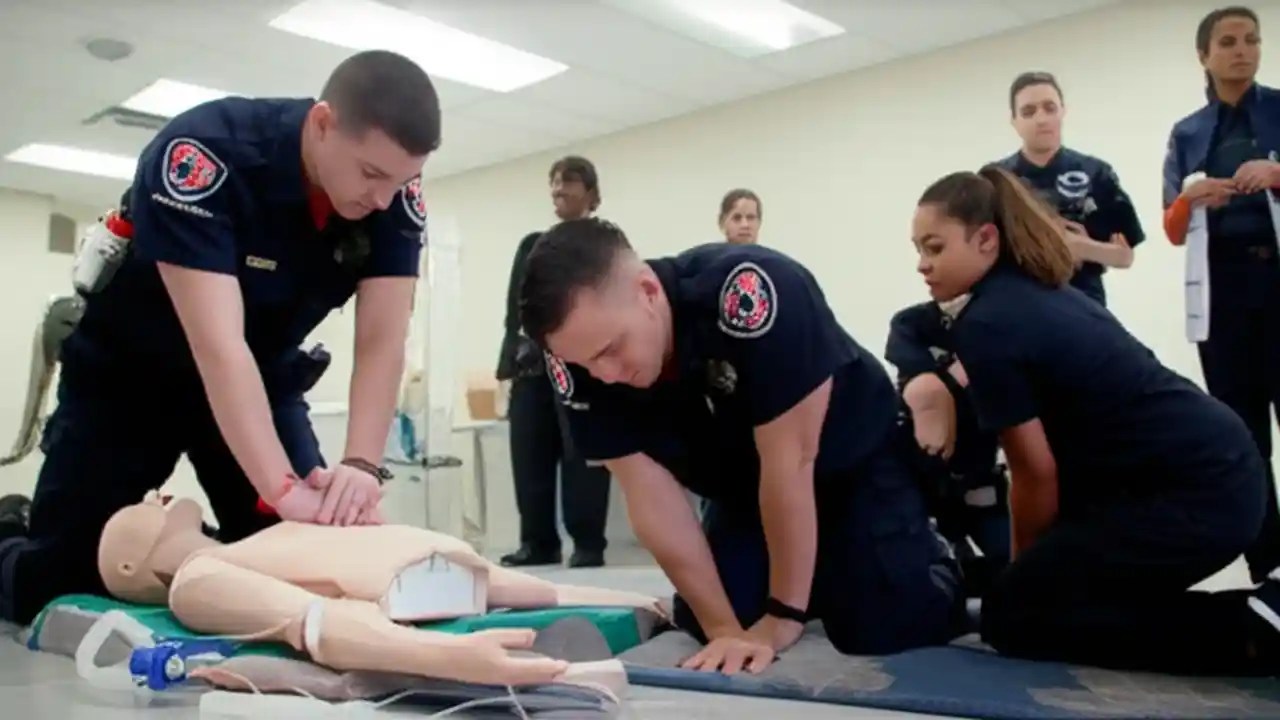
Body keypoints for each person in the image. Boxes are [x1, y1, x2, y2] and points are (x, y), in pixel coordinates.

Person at [0, 49, 440, 626]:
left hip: (262, 379)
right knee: (61, 587)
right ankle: (11, 533)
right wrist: (283, 488)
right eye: (371, 174)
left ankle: (193, 556)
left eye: (403, 180)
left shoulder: (395, 198)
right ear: (323, 124)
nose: (382, 199)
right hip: (130, 383)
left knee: (305, 558)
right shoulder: (205, 155)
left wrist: (360, 465)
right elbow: (219, 348)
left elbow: (382, 343)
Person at [518, 218, 964, 675]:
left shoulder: (751, 291)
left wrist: (783, 616)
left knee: (884, 623)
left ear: (648, 292)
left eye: (613, 349)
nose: (605, 375)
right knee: (705, 615)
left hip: (853, 464)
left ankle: (940, 557)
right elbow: (650, 497)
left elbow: (791, 463)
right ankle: (824, 574)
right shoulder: (575, 361)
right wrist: (723, 629)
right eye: (587, 362)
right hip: (744, 492)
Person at [911, 163, 1280, 675]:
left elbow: (1034, 473)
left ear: (986, 239)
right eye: (918, 251)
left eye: (934, 247)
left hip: (1200, 494)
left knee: (1016, 620)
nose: (922, 266)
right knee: (1054, 600)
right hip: (1220, 473)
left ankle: (1257, 629)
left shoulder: (988, 324)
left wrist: (1025, 579)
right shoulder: (1043, 290)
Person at [1163, 4, 1280, 585]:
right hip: (1223, 296)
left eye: (1252, 40)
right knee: (1245, 434)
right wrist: (1191, 199)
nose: (1243, 50)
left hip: (1278, 282)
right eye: (1229, 41)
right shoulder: (1188, 134)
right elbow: (1171, 226)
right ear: (1205, 55)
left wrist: (1278, 174)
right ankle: (1269, 569)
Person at [496, 156, 611, 569]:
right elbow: (514, 309)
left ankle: (588, 544)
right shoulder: (532, 244)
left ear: (591, 194)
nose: (559, 189)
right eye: (555, 182)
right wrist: (509, 365)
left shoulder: (604, 247)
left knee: (581, 453)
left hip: (582, 364)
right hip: (533, 365)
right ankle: (538, 542)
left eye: (570, 183)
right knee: (529, 449)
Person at [885, 298, 1010, 597]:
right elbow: (919, 384)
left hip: (980, 477)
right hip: (919, 475)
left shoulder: (1009, 325)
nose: (925, 267)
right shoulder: (913, 323)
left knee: (1013, 561)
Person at [994, 71, 1145, 306]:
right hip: (1020, 306)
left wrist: (1081, 248)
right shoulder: (997, 180)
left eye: (1050, 107)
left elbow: (1124, 257)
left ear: (1063, 111)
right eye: (1028, 111)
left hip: (1085, 304)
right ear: (1014, 121)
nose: (1041, 119)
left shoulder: (1097, 173)